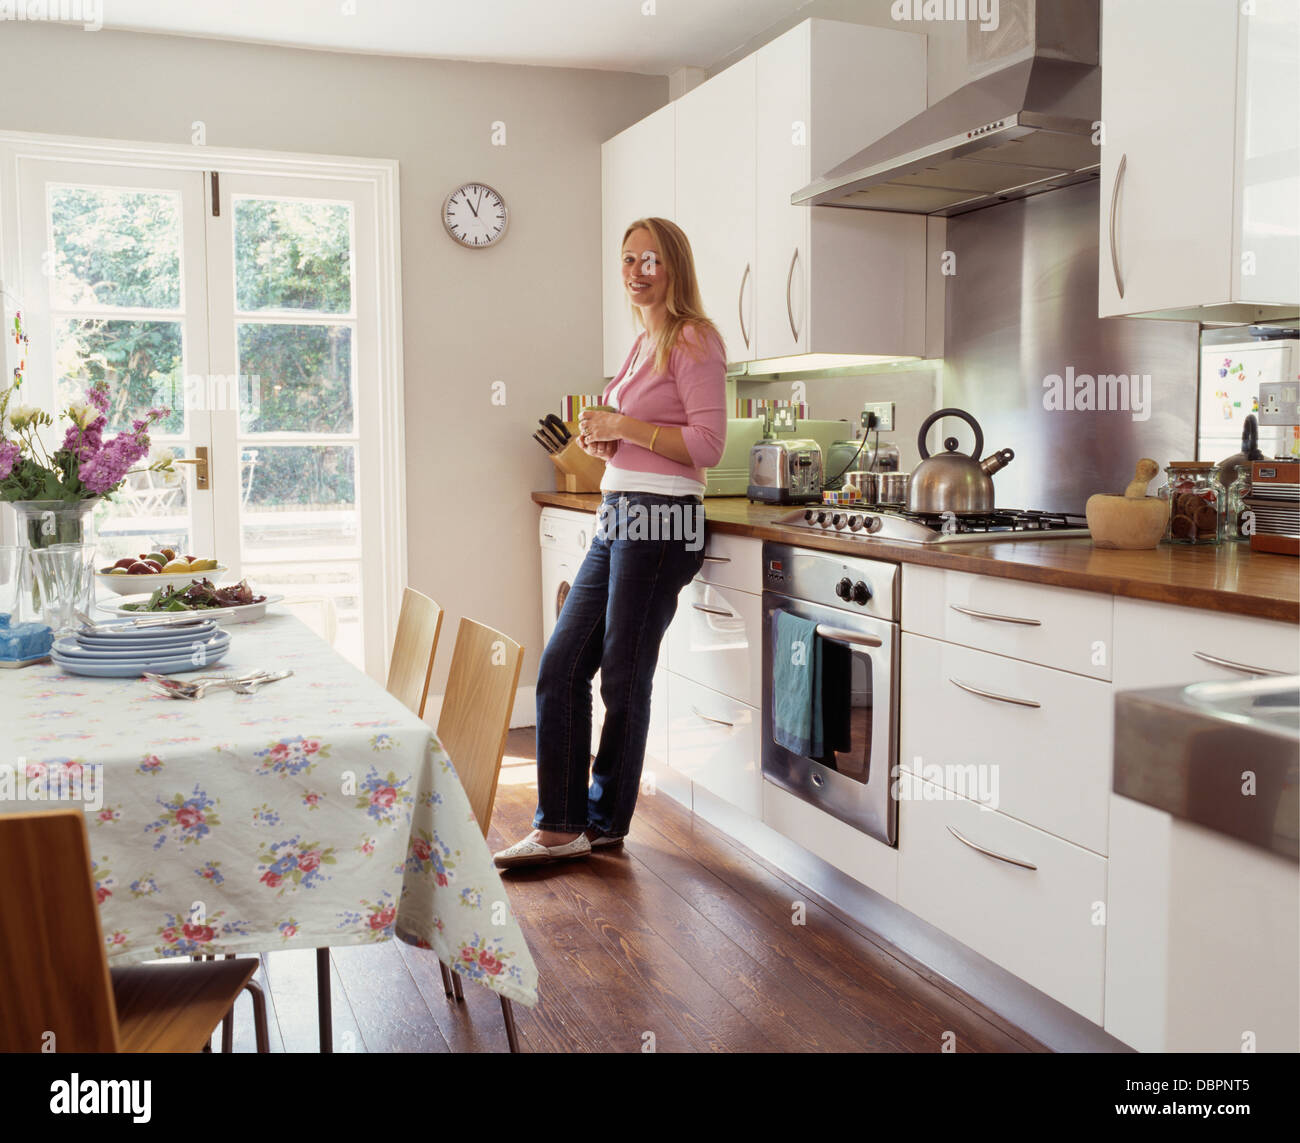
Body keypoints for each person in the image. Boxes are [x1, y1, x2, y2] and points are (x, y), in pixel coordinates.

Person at [494, 217, 727, 868]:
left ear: (674, 265)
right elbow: (649, 430)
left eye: (650, 259)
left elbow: (707, 445)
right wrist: (609, 440)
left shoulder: (694, 338)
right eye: (628, 259)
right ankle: (564, 823)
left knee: (623, 676)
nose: (636, 270)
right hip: (621, 511)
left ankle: (598, 822)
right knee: (561, 665)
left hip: (664, 518)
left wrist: (626, 424)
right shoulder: (640, 342)